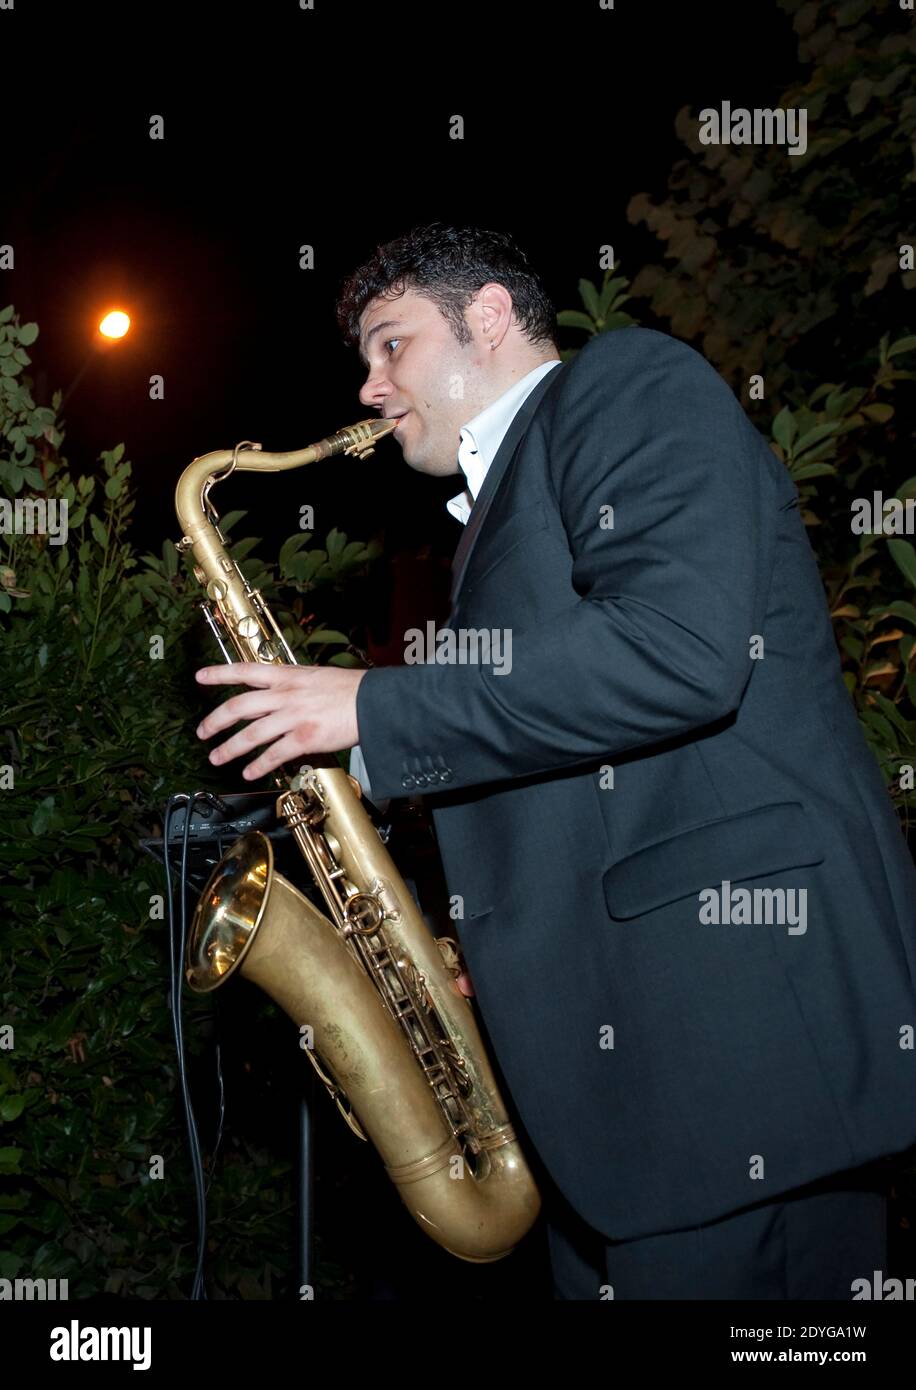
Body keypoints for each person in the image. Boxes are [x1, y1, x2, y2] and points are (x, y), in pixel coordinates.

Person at [194, 222, 916, 1300]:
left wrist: (374, 708)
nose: (370, 387)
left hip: (725, 1053)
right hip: (640, 1094)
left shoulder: (622, 384)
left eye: (391, 345)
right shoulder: (489, 522)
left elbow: (675, 653)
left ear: (486, 316)